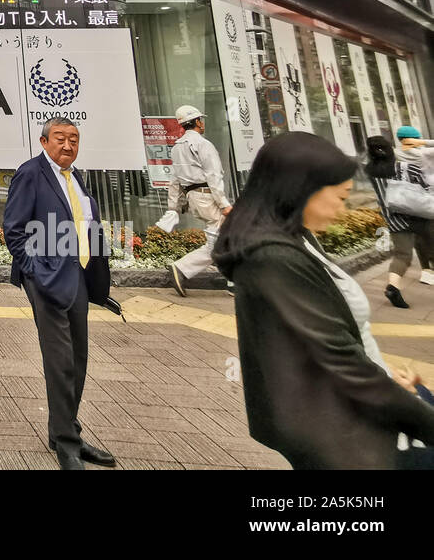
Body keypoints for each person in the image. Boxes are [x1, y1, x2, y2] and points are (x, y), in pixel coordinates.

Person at [214, 131, 434, 469]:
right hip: (347, 429)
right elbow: (340, 360)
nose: (343, 209)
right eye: (340, 196)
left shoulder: (292, 240)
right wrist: (419, 417)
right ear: (301, 190)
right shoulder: (272, 258)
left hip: (364, 408)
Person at [3, 118, 116, 470]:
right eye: (60, 139)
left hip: (78, 277)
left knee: (78, 359)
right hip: (48, 280)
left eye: (74, 139)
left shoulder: (74, 176)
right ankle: (67, 444)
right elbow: (14, 229)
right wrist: (33, 272)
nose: (68, 145)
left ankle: (64, 431)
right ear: (43, 141)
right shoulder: (31, 173)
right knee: (60, 362)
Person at [165, 105, 233, 297]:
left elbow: (175, 180)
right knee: (220, 241)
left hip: (193, 197)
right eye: (200, 120)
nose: (202, 123)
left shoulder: (177, 148)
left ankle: (234, 281)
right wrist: (224, 204)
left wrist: (173, 207)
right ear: (196, 122)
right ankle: (182, 268)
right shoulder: (203, 145)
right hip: (207, 196)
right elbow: (214, 175)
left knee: (224, 238)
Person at [390, 126, 434, 297]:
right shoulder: (425, 153)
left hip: (406, 201)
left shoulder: (394, 154)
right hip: (428, 200)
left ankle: (426, 271)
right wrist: (423, 142)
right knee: (431, 233)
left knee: (419, 236)